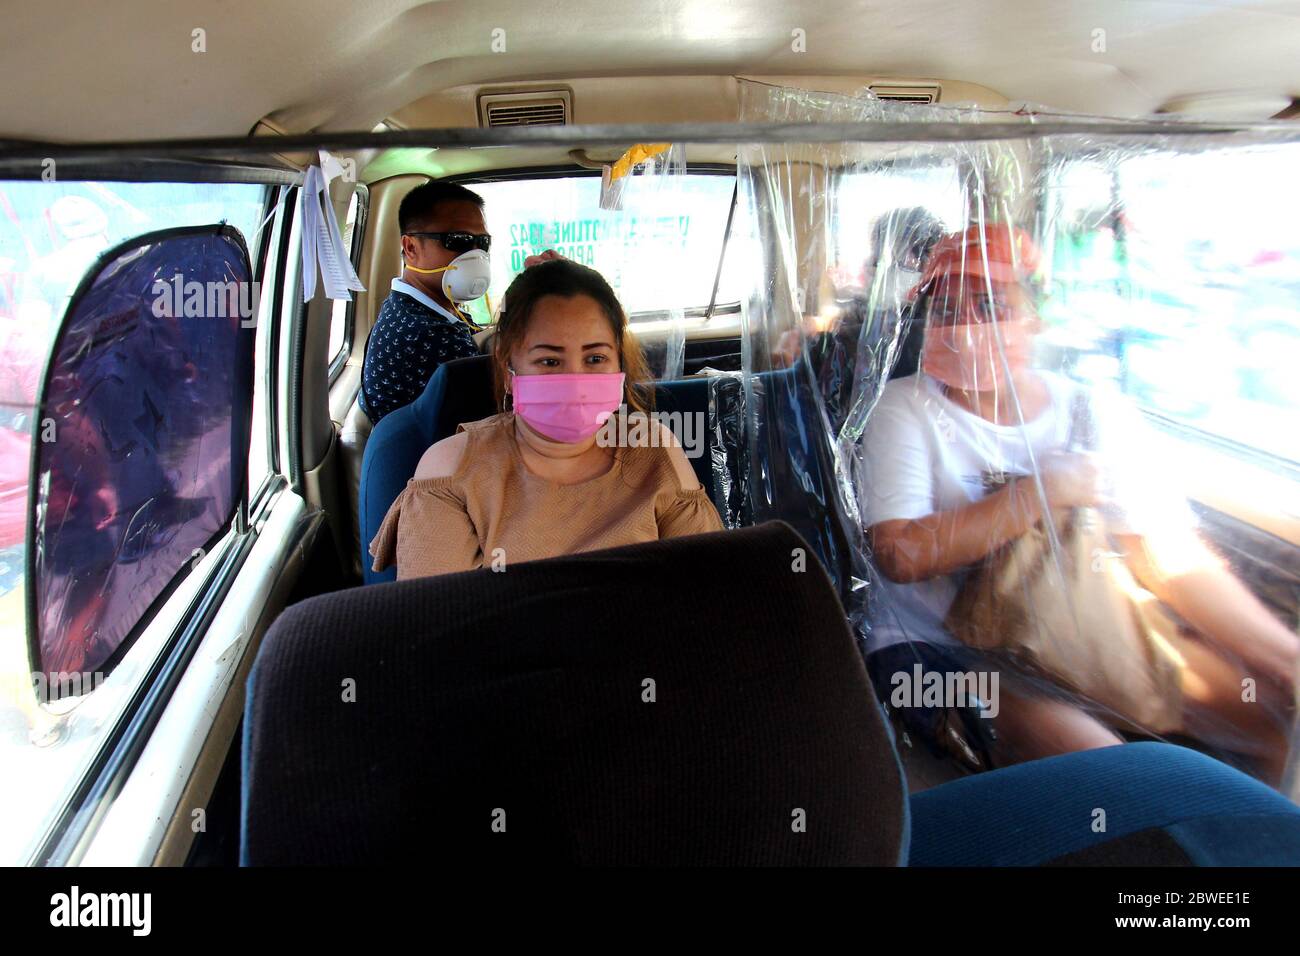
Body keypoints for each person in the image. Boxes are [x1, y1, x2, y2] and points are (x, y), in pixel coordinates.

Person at [862, 222, 1299, 780]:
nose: (967, 327)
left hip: (1074, 630)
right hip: (934, 651)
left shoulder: (1093, 411)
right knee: (1109, 769)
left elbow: (1166, 558)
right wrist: (1041, 492)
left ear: (1034, 315)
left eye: (991, 305)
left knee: (1271, 718)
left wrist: (1284, 658)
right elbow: (901, 555)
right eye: (946, 310)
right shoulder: (905, 408)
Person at [369, 258, 724, 579]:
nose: (577, 382)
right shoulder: (452, 469)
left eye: (595, 359)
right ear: (509, 369)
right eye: (550, 361)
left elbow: (708, 588)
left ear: (619, 361)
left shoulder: (654, 448)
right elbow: (437, 619)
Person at [359, 181, 492, 424]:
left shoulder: (412, 306)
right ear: (410, 247)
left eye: (483, 243)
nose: (476, 254)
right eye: (458, 240)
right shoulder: (431, 336)